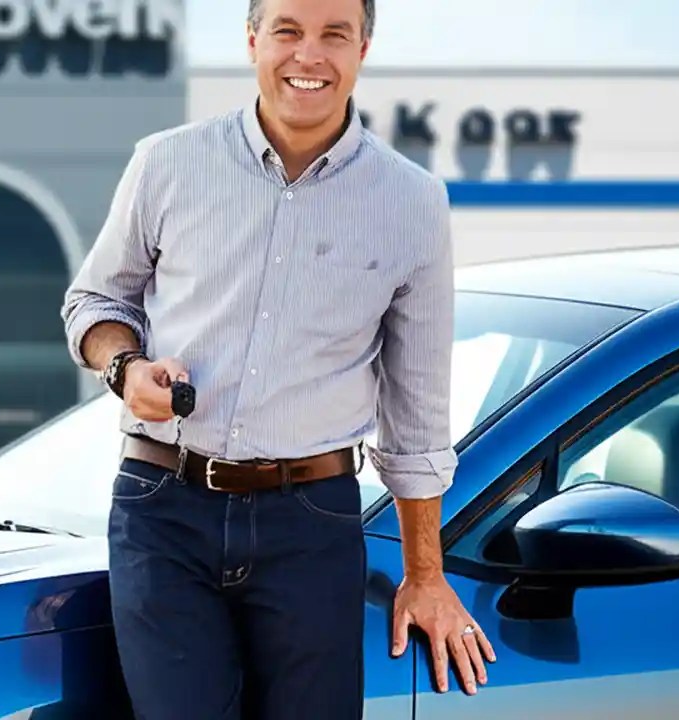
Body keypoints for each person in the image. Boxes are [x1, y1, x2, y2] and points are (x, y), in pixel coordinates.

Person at [59, 0, 496, 717]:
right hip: (162, 510)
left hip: (311, 525)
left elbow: (416, 410)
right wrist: (125, 369)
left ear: (363, 48)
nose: (308, 56)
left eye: (334, 35)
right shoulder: (167, 163)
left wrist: (424, 573)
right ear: (253, 40)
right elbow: (96, 301)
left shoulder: (412, 202)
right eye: (288, 31)